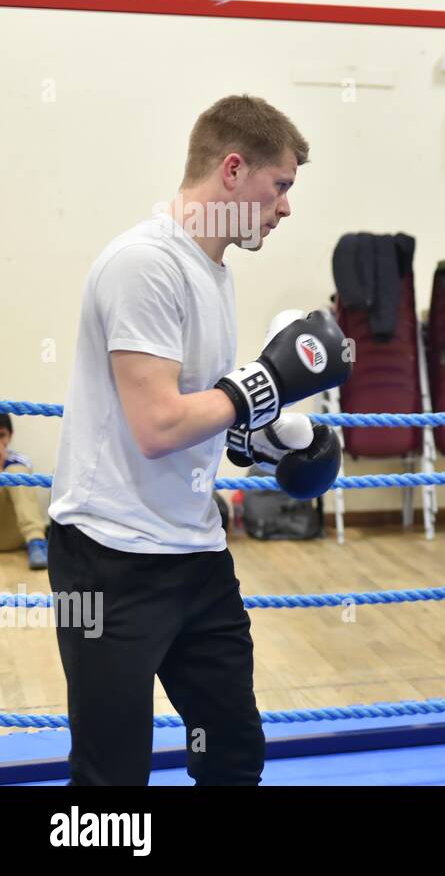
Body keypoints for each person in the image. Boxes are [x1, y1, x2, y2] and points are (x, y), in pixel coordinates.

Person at [46, 94, 349, 786]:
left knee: (233, 754)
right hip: (107, 561)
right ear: (234, 170)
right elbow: (156, 427)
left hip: (196, 556)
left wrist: (264, 440)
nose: (286, 207)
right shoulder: (143, 264)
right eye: (281, 186)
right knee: (112, 777)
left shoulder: (213, 271)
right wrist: (264, 384)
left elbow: (199, 406)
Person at [0, 413, 49, 569]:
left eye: (1, 435)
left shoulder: (18, 461)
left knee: (16, 471)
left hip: (12, 534)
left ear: (10, 435)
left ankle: (36, 541)